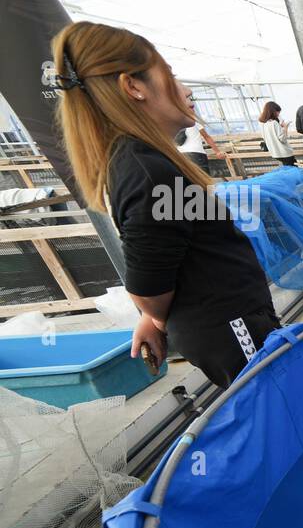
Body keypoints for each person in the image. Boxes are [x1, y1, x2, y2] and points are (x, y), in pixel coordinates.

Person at [51, 21, 279, 388]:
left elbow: (165, 254)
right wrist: (154, 315)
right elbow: (147, 287)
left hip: (231, 321)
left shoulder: (146, 163)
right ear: (134, 86)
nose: (186, 90)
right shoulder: (150, 172)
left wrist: (150, 318)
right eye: (170, 76)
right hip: (230, 325)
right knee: (281, 407)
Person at [175, 96, 229, 174]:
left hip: (181, 155)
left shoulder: (173, 123)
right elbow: (206, 137)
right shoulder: (192, 120)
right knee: (204, 180)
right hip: (196, 154)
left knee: (186, 181)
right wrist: (217, 152)